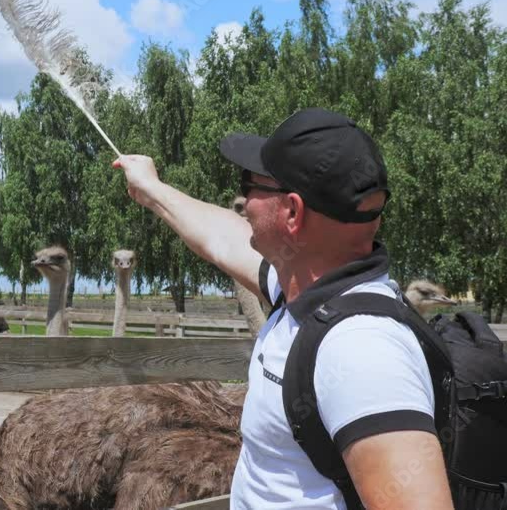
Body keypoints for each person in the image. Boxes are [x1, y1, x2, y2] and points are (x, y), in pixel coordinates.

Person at [113, 108, 454, 509]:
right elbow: (223, 239)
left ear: (292, 212)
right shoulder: (303, 290)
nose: (245, 204)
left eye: (249, 187)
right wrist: (151, 189)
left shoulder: (360, 348)